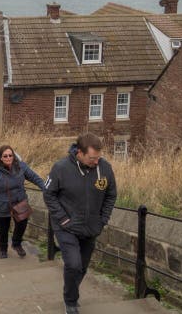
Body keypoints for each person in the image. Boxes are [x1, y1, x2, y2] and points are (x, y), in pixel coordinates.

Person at [44, 133, 117, 314]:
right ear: (79, 153)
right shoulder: (60, 168)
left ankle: (71, 290)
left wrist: (102, 220)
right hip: (66, 226)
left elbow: (111, 195)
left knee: (82, 267)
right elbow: (48, 194)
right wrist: (63, 218)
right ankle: (70, 300)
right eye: (92, 158)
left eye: (98, 157)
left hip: (91, 227)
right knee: (74, 264)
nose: (96, 161)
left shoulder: (105, 168)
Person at [0, 144, 45, 258]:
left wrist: (45, 188)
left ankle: (16, 244)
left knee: (22, 225)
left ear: (14, 156)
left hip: (20, 202)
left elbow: (34, 177)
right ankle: (3, 249)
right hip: (2, 206)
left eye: (10, 155)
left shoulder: (21, 167)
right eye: (5, 156)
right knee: (3, 230)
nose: (8, 158)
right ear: (0, 158)